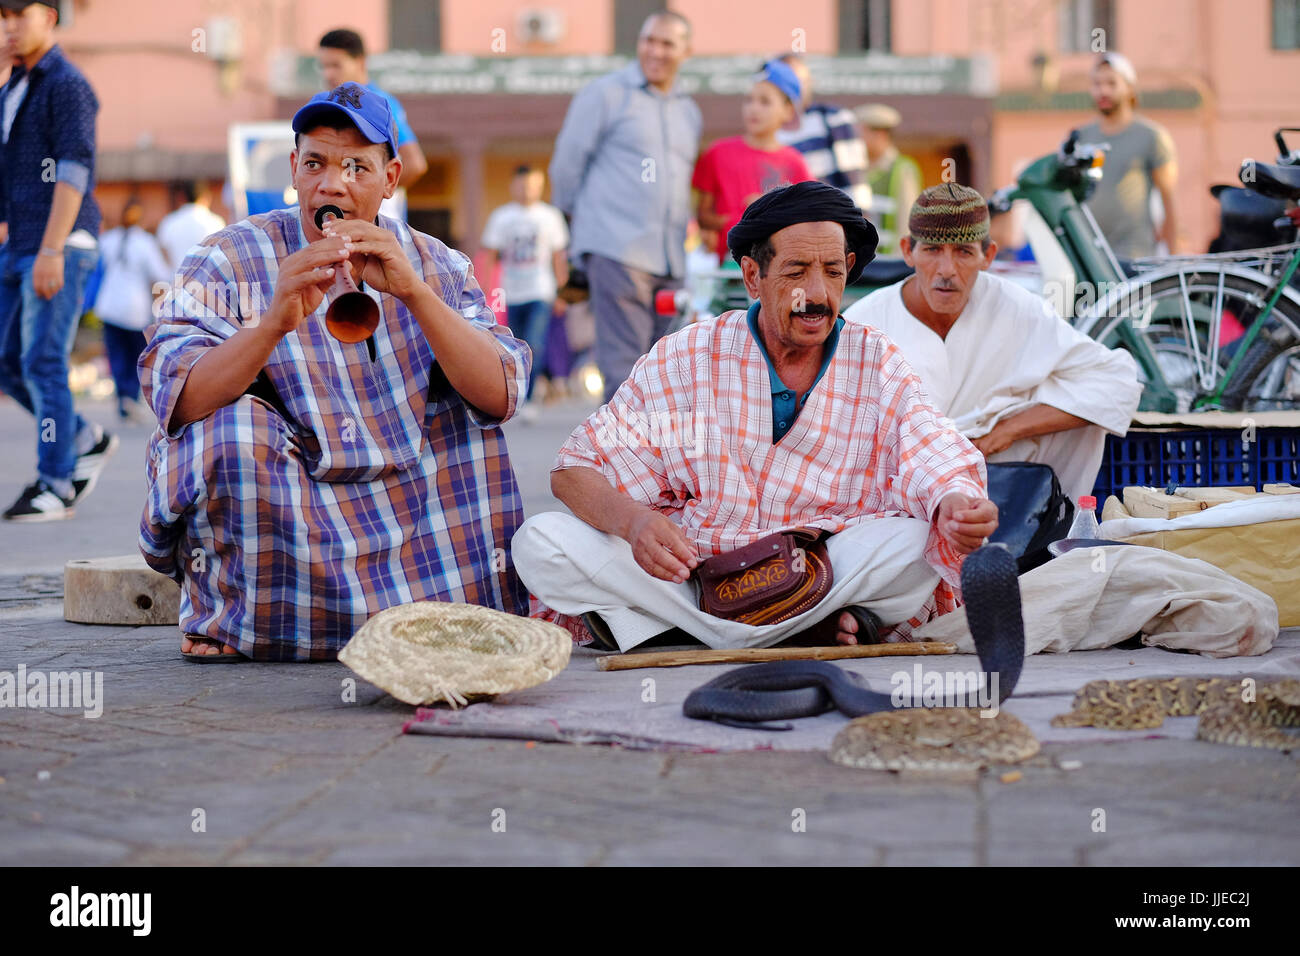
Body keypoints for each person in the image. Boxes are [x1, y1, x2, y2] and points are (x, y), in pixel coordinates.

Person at [512, 181, 999, 652]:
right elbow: (574, 468)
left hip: (818, 574)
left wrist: (954, 502)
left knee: (916, 539)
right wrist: (635, 524)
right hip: (694, 579)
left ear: (849, 269)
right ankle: (786, 631)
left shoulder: (875, 361)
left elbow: (930, 446)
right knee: (541, 542)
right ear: (752, 277)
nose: (816, 292)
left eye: (832, 271)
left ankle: (691, 632)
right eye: (795, 272)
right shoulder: (687, 357)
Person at [138, 83, 531, 661]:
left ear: (391, 179)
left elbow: (502, 395)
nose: (333, 184)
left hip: (412, 501)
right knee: (230, 432)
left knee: (472, 425)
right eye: (316, 163)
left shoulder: (435, 262)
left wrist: (416, 293)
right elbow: (177, 397)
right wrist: (271, 324)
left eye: (356, 167)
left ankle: (428, 617)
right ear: (294, 169)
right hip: (297, 494)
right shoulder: (228, 255)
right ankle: (243, 620)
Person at [844, 184, 1142, 502]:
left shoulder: (1016, 307)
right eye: (932, 250)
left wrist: (1003, 431)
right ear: (908, 251)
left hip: (993, 480)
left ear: (988, 256)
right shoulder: (865, 321)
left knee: (1073, 402)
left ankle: (1042, 537)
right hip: (897, 490)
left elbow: (1117, 381)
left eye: (963, 252)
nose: (946, 271)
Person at [0, 0, 115, 522]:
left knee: (43, 363)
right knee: (8, 361)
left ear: (49, 14)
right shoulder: (13, 87)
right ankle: (82, 437)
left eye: (17, 14)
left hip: (60, 244)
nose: (8, 26)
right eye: (1, 18)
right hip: (19, 245)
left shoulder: (66, 83)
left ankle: (56, 482)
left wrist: (52, 250)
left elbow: (74, 170)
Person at [548, 11, 701, 403]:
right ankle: (615, 462)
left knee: (666, 370)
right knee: (625, 372)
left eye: (667, 43)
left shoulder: (689, 111)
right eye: (649, 40)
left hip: (670, 260)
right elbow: (566, 165)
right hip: (616, 249)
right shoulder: (606, 93)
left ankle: (651, 461)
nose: (655, 50)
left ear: (687, 51)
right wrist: (582, 231)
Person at [692, 59, 814, 263]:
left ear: (788, 111)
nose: (754, 109)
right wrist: (730, 222)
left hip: (778, 269)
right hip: (728, 269)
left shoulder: (795, 162)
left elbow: (805, 220)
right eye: (749, 100)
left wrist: (768, 210)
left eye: (765, 102)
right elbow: (703, 215)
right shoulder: (717, 153)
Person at [480, 165, 569, 417]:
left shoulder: (550, 216)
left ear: (540, 187)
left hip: (541, 289)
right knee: (516, 343)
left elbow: (558, 256)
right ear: (513, 186)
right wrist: (484, 284)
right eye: (523, 184)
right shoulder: (502, 217)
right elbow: (490, 253)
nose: (527, 190)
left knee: (536, 342)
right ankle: (518, 394)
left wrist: (562, 291)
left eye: (533, 185)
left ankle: (529, 398)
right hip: (512, 290)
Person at [1074, 53, 1179, 258]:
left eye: (1112, 83)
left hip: (1134, 257)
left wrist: (1172, 260)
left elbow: (1169, 204)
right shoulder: (1081, 137)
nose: (1103, 90)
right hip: (1090, 257)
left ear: (1129, 88)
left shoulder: (1152, 136)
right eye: (1097, 84)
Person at [317, 28, 428, 220]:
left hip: (375, 223)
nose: (328, 74)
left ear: (360, 62)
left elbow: (415, 164)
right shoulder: (329, 103)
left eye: (336, 65)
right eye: (324, 66)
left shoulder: (380, 103)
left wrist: (367, 191)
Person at [94, 197, 169, 423]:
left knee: (117, 355)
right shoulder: (145, 243)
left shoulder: (108, 240)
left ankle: (123, 396)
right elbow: (162, 274)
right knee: (138, 355)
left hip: (109, 305)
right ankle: (130, 396)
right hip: (135, 310)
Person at [777, 54, 872, 213]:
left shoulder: (833, 118)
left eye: (803, 81)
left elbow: (854, 180)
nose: (799, 87)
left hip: (831, 221)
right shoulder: (767, 133)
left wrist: (860, 224)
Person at [856, 103, 922, 255]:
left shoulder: (902, 169)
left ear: (879, 134)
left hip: (889, 265)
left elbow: (907, 225)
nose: (857, 139)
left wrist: (900, 264)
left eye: (861, 133)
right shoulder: (856, 169)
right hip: (861, 265)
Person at [156, 180, 226, 270]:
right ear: (206, 196)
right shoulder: (216, 222)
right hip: (207, 280)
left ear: (181, 197)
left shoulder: (168, 223)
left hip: (177, 280)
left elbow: (163, 258)